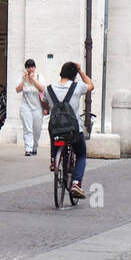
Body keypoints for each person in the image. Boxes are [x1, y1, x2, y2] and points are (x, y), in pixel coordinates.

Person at [46, 61, 94, 198]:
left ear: (61, 73)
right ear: (74, 76)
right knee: (81, 154)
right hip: (74, 131)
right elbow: (91, 85)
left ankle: (53, 160)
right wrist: (80, 70)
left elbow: (44, 103)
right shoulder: (77, 87)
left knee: (56, 136)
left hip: (56, 132)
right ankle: (76, 183)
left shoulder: (49, 89)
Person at [14, 58, 45, 155]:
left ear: (35, 68)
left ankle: (34, 146)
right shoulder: (22, 77)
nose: (30, 69)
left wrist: (33, 80)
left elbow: (42, 89)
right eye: (28, 67)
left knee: (37, 129)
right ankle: (28, 148)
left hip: (37, 108)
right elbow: (17, 90)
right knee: (27, 128)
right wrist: (24, 80)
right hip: (25, 107)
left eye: (32, 67)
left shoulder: (39, 77)